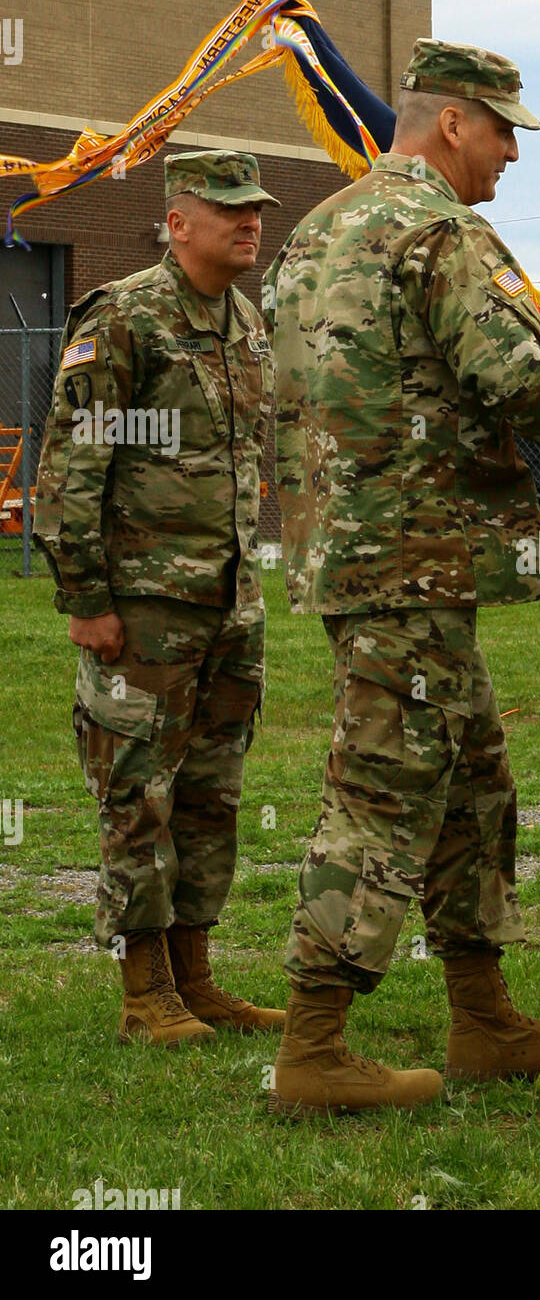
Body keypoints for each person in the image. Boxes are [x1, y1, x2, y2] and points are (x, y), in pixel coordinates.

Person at [264, 39, 540, 1117]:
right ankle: (313, 1046)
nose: (513, 153)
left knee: (474, 782)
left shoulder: (317, 227)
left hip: (360, 553)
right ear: (455, 122)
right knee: (383, 790)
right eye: (506, 128)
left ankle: (483, 1015)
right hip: (412, 558)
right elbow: (519, 373)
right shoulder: (435, 227)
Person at [33, 150, 284, 1045]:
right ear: (178, 222)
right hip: (141, 611)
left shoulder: (246, 323)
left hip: (227, 607)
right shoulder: (125, 317)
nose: (248, 222)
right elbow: (70, 466)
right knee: (138, 793)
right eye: (227, 210)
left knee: (212, 792)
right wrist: (86, 597)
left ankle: (197, 977)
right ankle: (145, 995)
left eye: (255, 209)